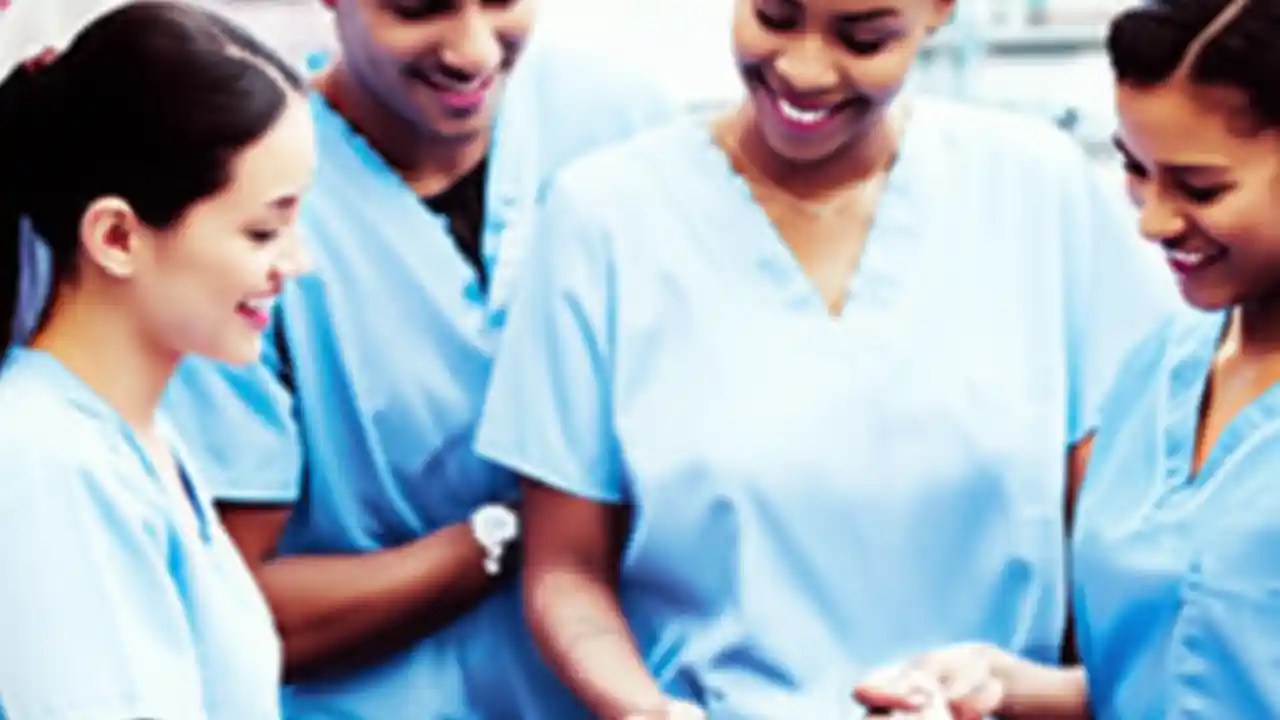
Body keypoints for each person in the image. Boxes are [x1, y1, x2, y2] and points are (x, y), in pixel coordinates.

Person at [473, 0, 1178, 716]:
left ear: (938, 12)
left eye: (863, 38)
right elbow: (565, 571)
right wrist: (648, 711)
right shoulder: (606, 215)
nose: (805, 70)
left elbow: (1120, 552)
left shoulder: (1037, 189)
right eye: (774, 18)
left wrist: (1024, 694)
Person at [160, 0, 678, 717]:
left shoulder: (628, 127)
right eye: (416, 7)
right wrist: (519, 532)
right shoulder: (238, 210)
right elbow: (225, 607)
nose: (472, 51)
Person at [853, 0, 1280, 717]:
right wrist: (999, 684)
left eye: (1200, 188)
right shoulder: (1159, 368)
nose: (1152, 220)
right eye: (1136, 169)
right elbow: (1169, 675)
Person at [0, 2, 314, 718]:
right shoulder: (47, 463)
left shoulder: (134, 439)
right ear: (116, 236)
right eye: (264, 230)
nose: (297, 263)